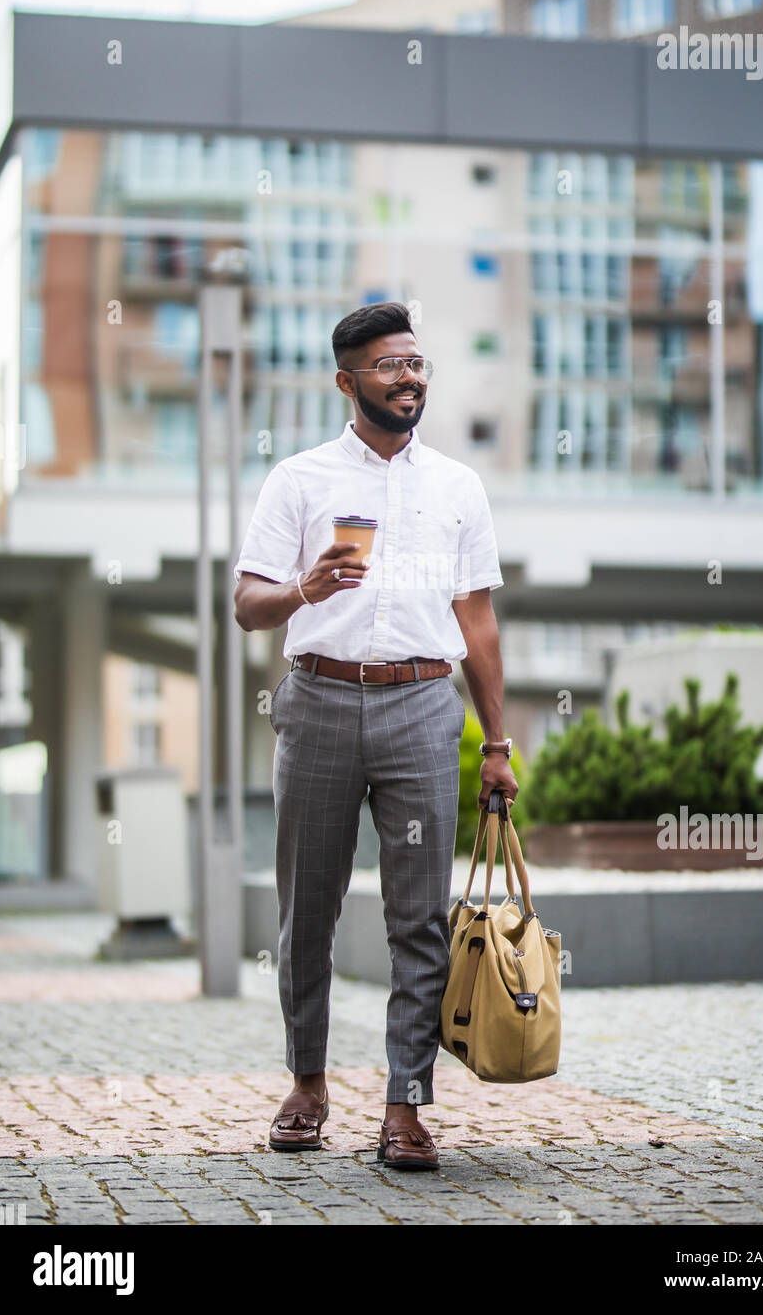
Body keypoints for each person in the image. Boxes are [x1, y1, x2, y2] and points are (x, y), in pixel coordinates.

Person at [233, 301, 517, 1170]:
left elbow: (479, 627)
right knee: (305, 910)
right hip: (317, 701)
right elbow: (248, 604)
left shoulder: (458, 487)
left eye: (418, 364)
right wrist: (305, 591)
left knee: (419, 918)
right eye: (391, 365)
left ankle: (406, 1106)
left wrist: (498, 744)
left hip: (425, 710)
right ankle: (307, 1083)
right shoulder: (300, 480)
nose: (410, 377)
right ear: (347, 380)